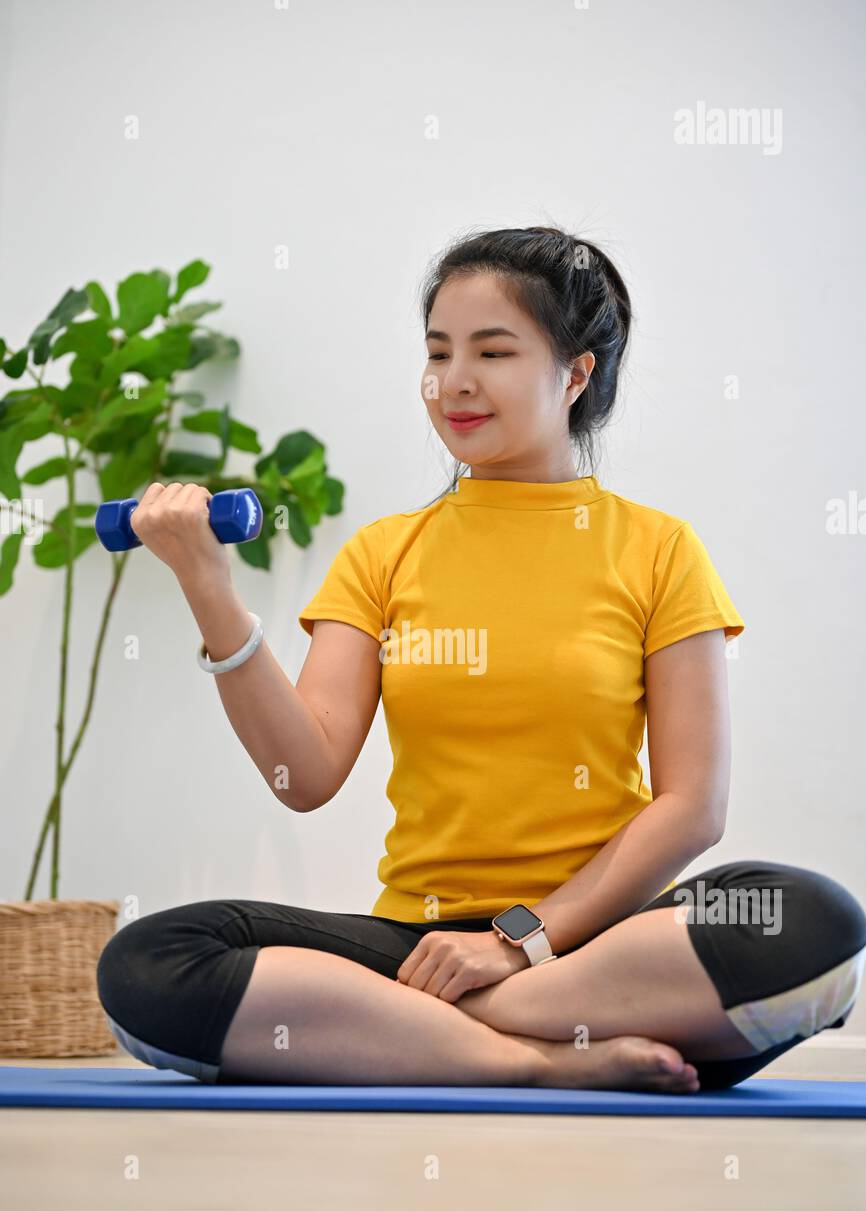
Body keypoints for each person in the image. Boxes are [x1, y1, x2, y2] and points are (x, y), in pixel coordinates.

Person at [96, 225, 866, 1092]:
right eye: (438, 352)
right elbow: (299, 773)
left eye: (493, 352)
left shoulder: (660, 549)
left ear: (575, 374)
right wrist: (208, 583)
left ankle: (429, 1035)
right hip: (415, 949)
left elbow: (692, 807)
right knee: (151, 964)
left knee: (809, 923)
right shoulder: (384, 553)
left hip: (592, 946)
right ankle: (542, 1061)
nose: (453, 382)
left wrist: (518, 943)